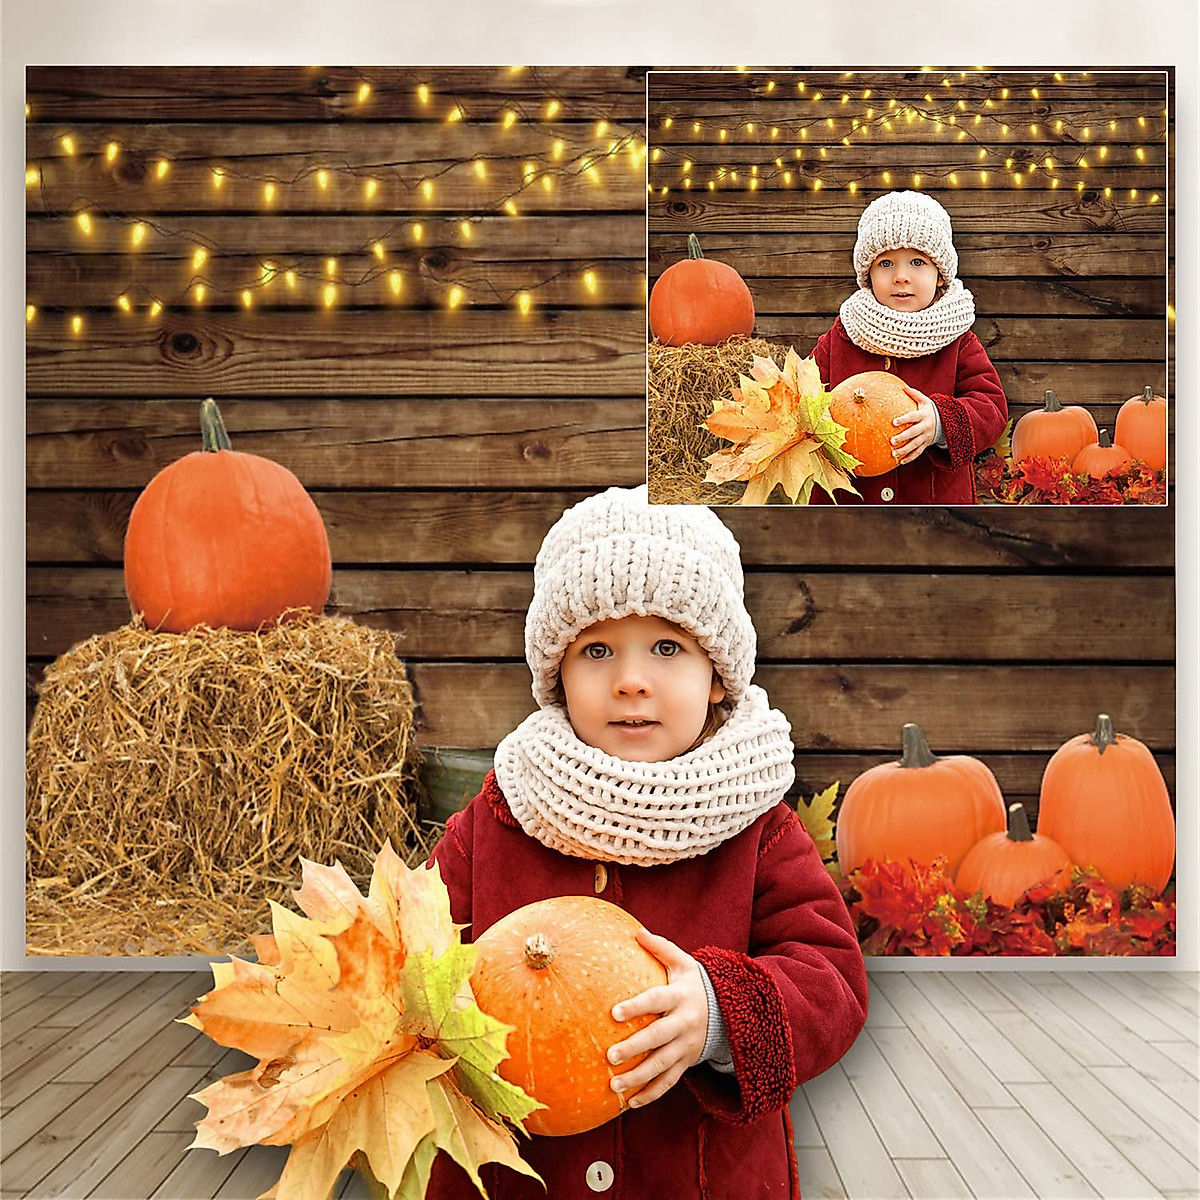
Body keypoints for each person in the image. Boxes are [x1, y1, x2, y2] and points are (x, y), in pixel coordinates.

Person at [426, 486, 868, 1198]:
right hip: (516, 1178)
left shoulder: (757, 828)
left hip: (698, 1177)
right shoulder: (503, 814)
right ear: (557, 677)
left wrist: (722, 1015)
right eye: (597, 649)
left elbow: (831, 980)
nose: (631, 681)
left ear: (717, 677)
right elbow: (412, 950)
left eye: (667, 647)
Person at [810, 190, 1008, 504]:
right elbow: (802, 393)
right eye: (886, 263)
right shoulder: (844, 335)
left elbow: (991, 407)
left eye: (917, 262)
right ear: (868, 274)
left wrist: (942, 423)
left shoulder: (958, 340)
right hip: (848, 507)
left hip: (933, 508)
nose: (901, 277)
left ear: (939, 275)